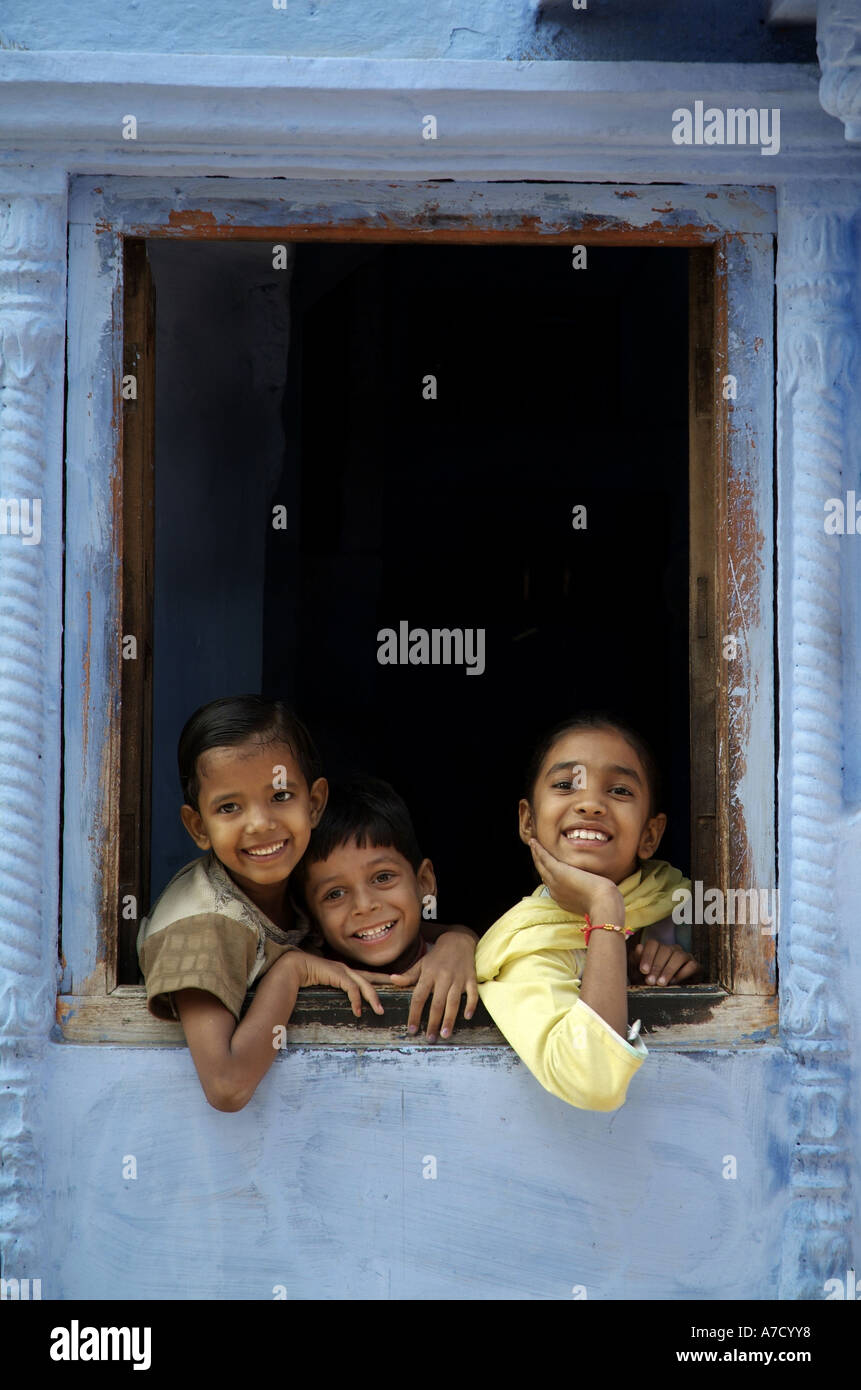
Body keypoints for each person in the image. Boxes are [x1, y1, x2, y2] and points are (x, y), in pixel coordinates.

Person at [137, 695, 388, 1112]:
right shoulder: (201, 926)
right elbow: (227, 1085)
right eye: (229, 807)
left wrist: (456, 944)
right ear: (199, 827)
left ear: (315, 804)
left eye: (280, 796)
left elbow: (394, 919)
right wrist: (292, 970)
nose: (260, 823)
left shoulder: (302, 875)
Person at [474, 712, 701, 1112]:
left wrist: (696, 973)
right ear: (528, 821)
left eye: (619, 790)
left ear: (651, 834)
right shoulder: (522, 947)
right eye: (565, 785)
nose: (591, 804)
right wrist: (604, 909)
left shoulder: (684, 903)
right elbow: (593, 1079)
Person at [297, 777, 479, 1043]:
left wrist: (464, 941)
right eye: (335, 894)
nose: (364, 905)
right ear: (312, 921)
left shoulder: (463, 961)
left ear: (424, 882)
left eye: (382, 877)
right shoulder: (306, 976)